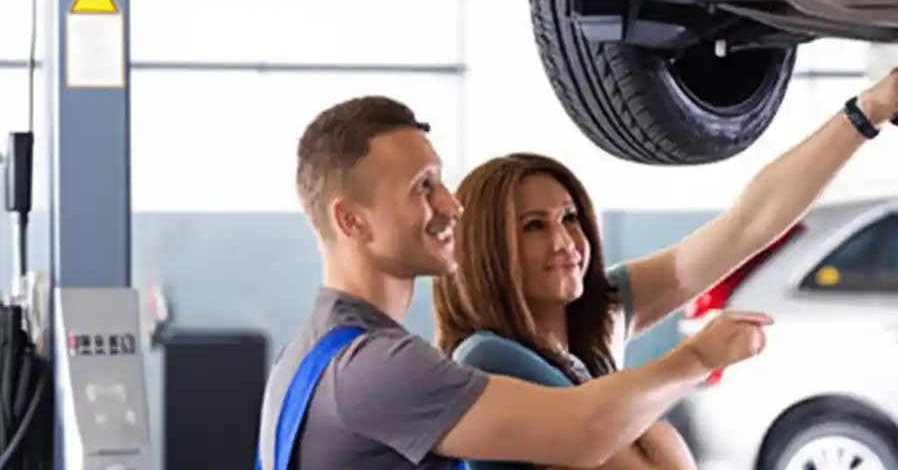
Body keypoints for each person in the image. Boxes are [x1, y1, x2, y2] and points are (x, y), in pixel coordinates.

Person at [432, 59, 898, 470]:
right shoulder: (487, 356)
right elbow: (608, 446)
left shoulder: (599, 320)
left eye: (570, 218)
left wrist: (868, 111)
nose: (566, 240)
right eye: (534, 226)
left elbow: (749, 223)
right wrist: (696, 359)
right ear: (487, 248)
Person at [254, 96, 774, 470]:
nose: (451, 206)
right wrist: (699, 358)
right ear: (352, 222)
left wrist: (858, 120)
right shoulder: (375, 368)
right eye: (423, 188)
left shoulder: (311, 356)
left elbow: (746, 226)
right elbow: (583, 431)